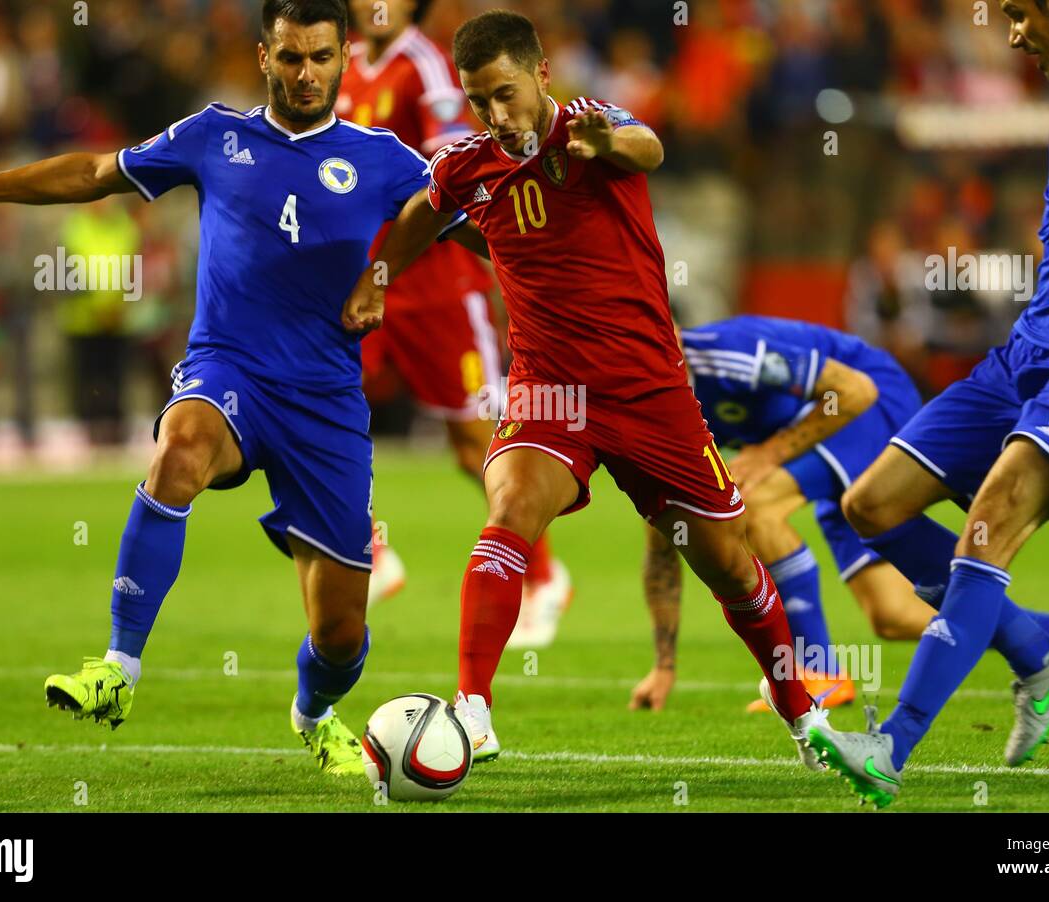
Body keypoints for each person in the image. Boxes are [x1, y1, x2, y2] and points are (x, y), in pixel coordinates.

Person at [0, 0, 478, 778]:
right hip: (227, 370)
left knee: (340, 635)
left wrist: (510, 247)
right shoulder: (214, 135)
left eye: (321, 58)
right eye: (291, 57)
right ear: (263, 57)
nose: (307, 73)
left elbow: (464, 217)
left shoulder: (384, 158)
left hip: (326, 403)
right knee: (182, 446)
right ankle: (117, 668)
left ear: (343, 59)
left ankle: (314, 712)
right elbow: (97, 172)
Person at [341, 10, 826, 767]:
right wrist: (378, 280)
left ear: (541, 74)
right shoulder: (468, 165)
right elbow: (417, 217)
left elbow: (648, 145)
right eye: (478, 102)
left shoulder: (591, 126)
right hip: (549, 389)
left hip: (649, 391)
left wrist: (605, 141)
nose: (496, 116)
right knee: (508, 509)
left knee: (727, 562)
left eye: (505, 93)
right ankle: (473, 711)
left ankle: (805, 721)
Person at [807, 1, 1049, 807]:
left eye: (1017, 14)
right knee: (869, 503)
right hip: (1024, 353)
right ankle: (1044, 652)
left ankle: (890, 745)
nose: (1008, 34)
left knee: (989, 522)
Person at [628, 315, 1049, 715]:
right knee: (892, 614)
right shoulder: (657, 411)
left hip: (868, 405)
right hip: (814, 440)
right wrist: (664, 665)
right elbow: (667, 532)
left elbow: (854, 391)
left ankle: (819, 673)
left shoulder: (731, 356)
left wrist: (769, 454)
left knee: (756, 505)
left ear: (669, 335)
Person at [340, 0, 571, 636]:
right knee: (323, 404)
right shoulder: (347, 65)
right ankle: (366, 549)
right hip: (371, 271)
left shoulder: (428, 66)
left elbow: (453, 171)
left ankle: (545, 573)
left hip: (440, 285)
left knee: (475, 445)